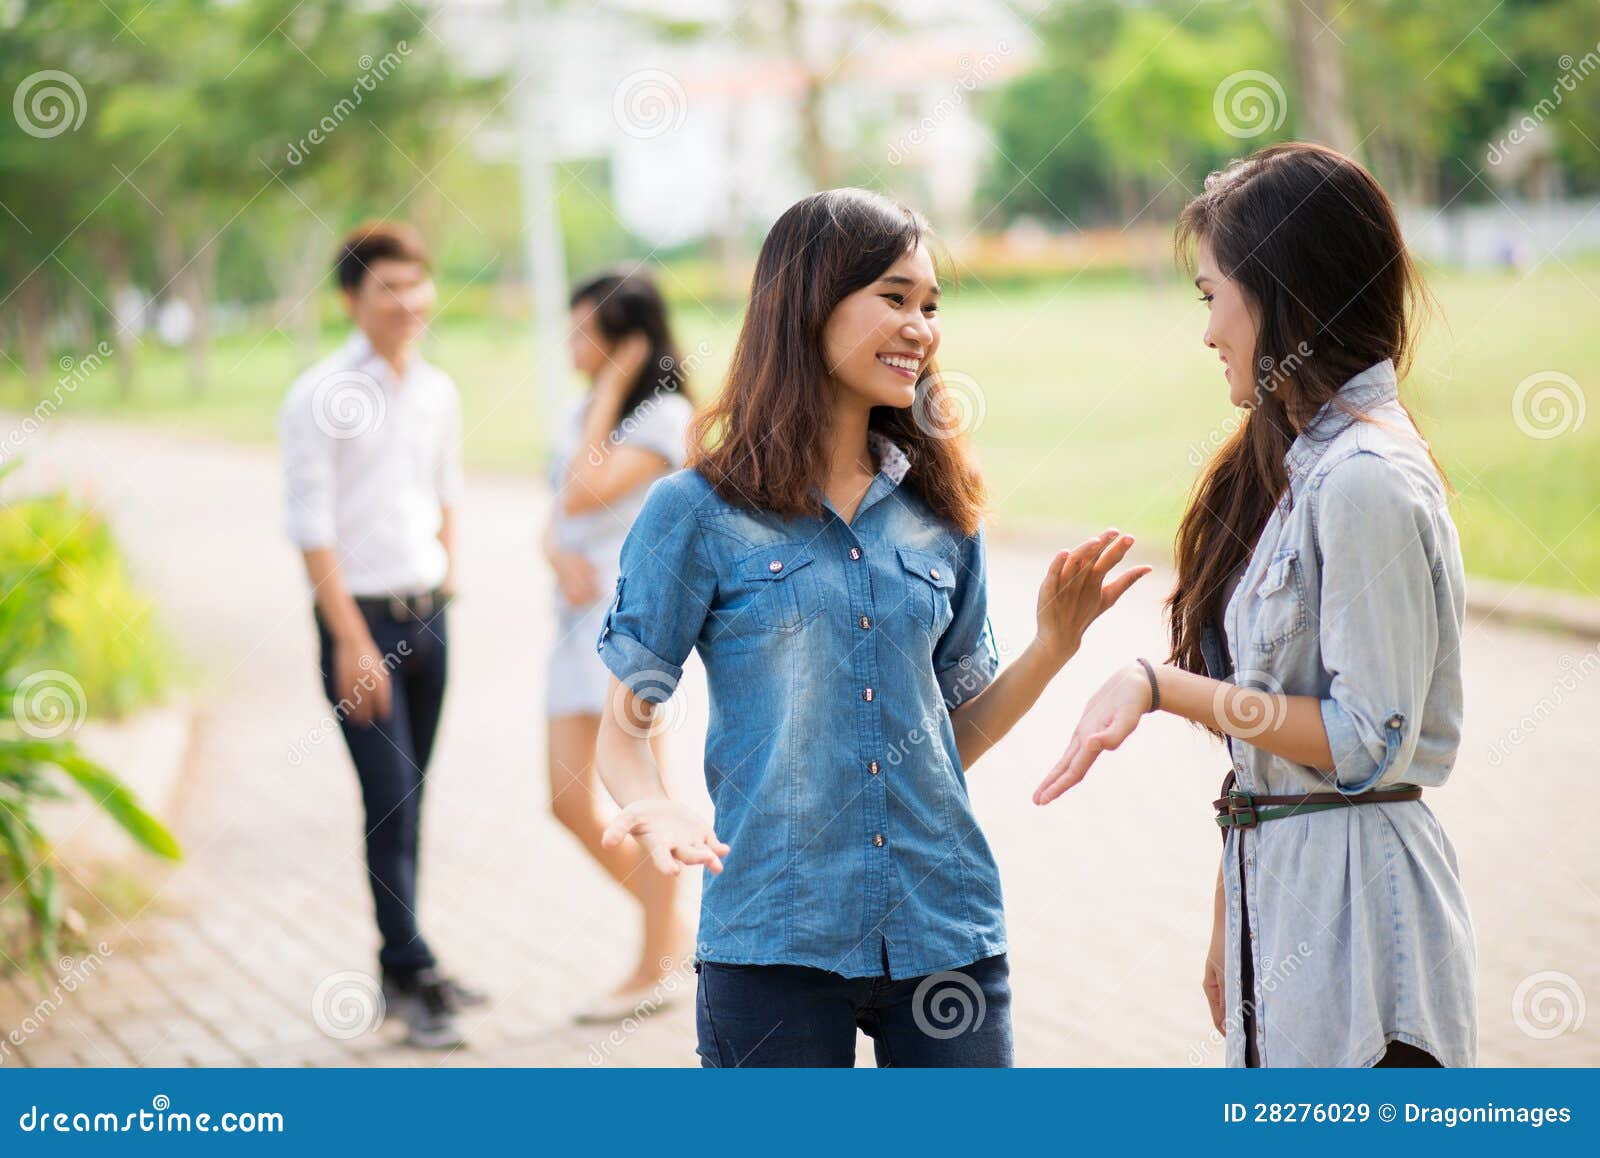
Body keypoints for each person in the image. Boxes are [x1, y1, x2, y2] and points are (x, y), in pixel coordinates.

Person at [592, 188, 1150, 1067]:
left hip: (945, 931)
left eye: (931, 306)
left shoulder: (942, 510)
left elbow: (949, 739)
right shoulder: (696, 510)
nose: (920, 328)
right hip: (773, 939)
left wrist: (1054, 645)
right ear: (809, 302)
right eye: (895, 298)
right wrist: (653, 802)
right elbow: (624, 724)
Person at [1034, 143, 1477, 1068]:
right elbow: (1272, 754)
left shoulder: (1364, 479)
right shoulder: (1300, 468)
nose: (1207, 333)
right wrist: (1227, 912)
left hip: (1364, 944)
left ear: (1285, 295)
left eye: (1212, 296)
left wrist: (1160, 686)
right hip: (1287, 906)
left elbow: (1363, 742)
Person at [278, 221, 486, 1049]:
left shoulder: (437, 390)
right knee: (389, 798)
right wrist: (349, 642)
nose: (407, 301)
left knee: (412, 795)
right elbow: (310, 526)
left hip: (429, 612)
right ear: (351, 299)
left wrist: (449, 577)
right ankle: (408, 971)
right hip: (359, 622)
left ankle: (407, 968)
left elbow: (446, 488)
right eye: (387, 287)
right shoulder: (318, 394)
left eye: (416, 283)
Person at [542, 272, 696, 1022]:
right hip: (571, 625)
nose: (572, 345)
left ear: (627, 344)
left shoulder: (665, 417)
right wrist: (553, 554)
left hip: (633, 627)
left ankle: (654, 967)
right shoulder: (578, 411)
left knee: (645, 797)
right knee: (566, 799)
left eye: (586, 332)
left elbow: (584, 491)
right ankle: (680, 937)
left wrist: (611, 389)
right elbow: (557, 515)